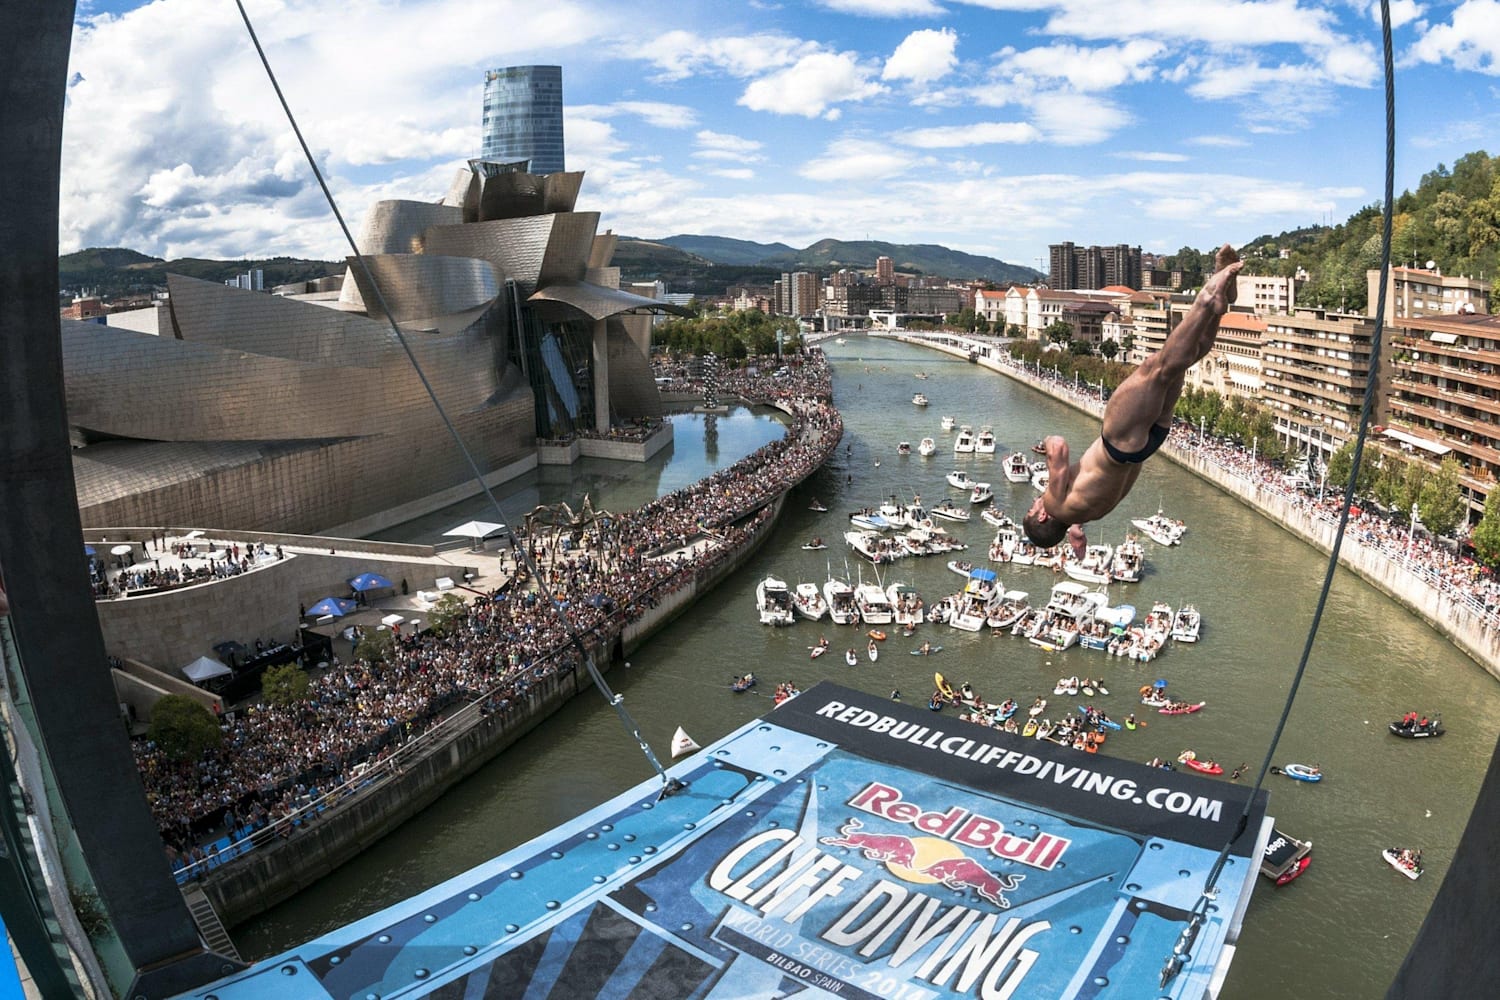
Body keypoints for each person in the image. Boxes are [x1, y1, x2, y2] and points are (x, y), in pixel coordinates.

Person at [1024, 244, 1244, 557]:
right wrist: (1045, 446)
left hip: (1147, 446)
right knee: (1157, 366)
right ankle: (1209, 297)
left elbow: (1083, 506)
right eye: (1033, 508)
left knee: (1178, 364)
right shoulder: (1053, 503)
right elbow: (1058, 445)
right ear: (1042, 515)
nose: (1036, 502)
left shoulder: (1084, 514)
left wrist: (1075, 532)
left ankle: (1218, 307)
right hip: (1118, 444)